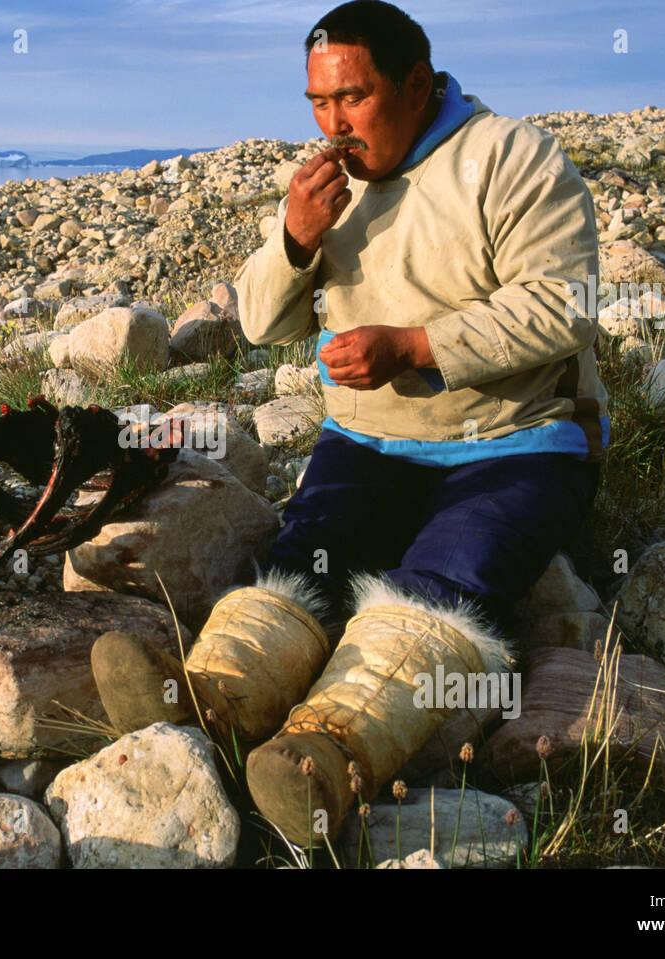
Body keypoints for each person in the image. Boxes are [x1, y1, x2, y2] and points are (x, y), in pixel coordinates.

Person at [91, 0, 608, 844]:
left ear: (416, 83)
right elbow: (262, 324)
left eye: (353, 99)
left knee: (445, 578)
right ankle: (208, 699)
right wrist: (295, 237)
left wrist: (415, 344)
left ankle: (327, 758)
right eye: (318, 104)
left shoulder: (511, 157)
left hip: (515, 439)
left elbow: (566, 305)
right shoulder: (329, 183)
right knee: (301, 565)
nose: (333, 124)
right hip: (368, 439)